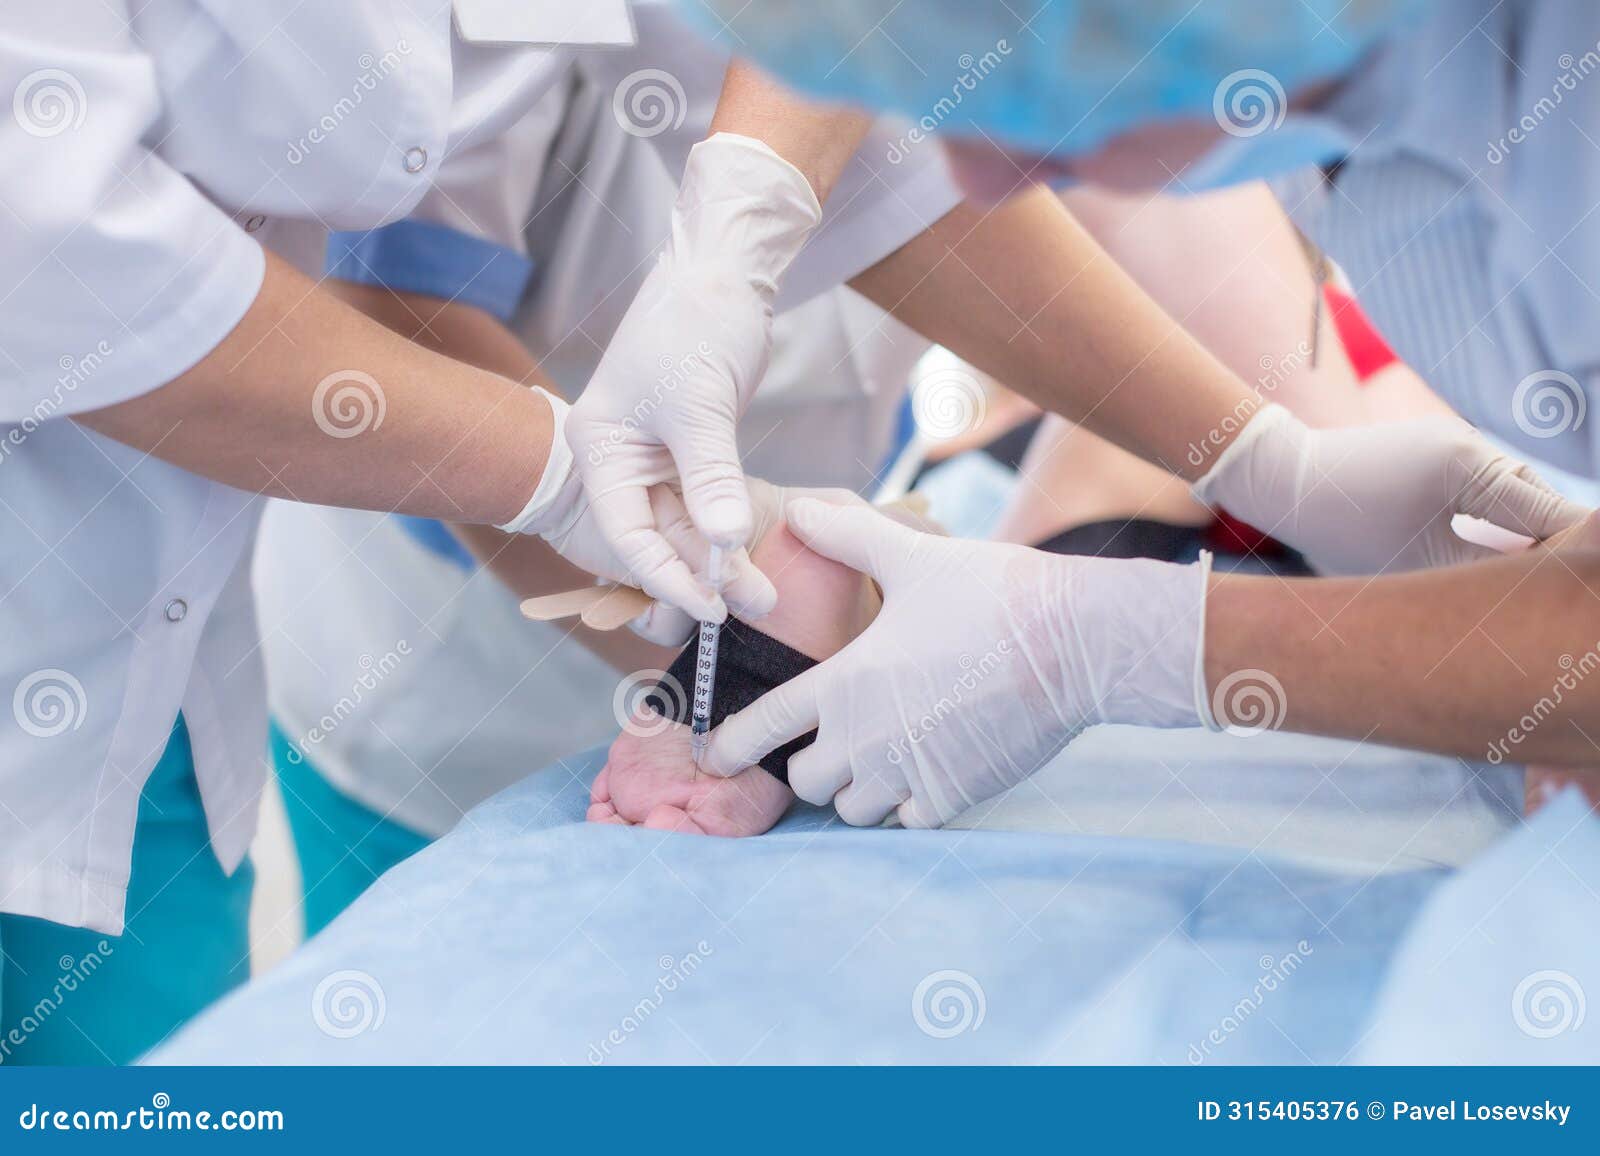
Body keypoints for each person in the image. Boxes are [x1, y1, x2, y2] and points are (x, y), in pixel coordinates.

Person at [0, 0, 971, 1063]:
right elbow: (69, 264)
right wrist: (588, 496)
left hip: (148, 657)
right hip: (402, 662)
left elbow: (870, 139)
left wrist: (1188, 445)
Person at [662, 0, 1600, 826]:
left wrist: (1108, 641)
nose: (985, 183)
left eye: (1015, 95)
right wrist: (1277, 470)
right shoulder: (1285, 94)